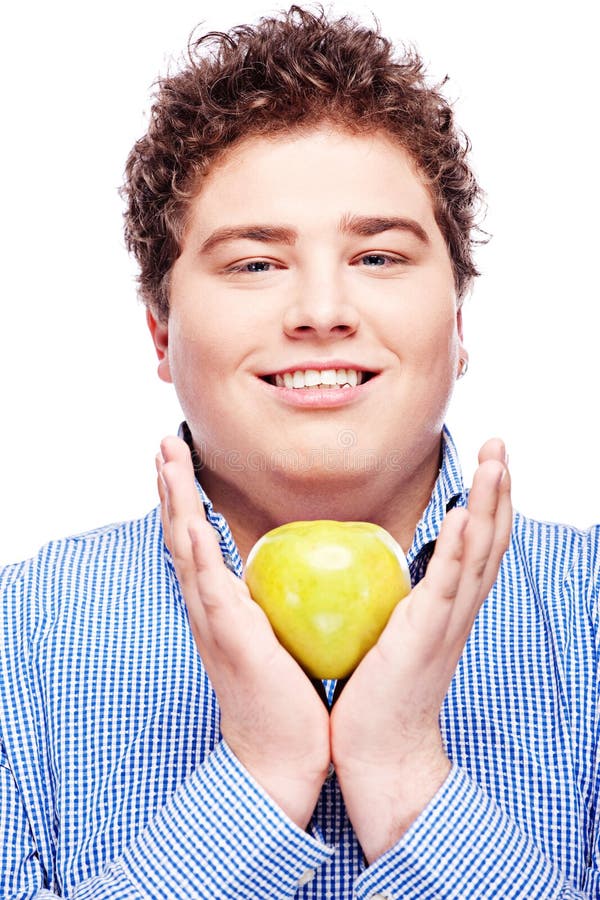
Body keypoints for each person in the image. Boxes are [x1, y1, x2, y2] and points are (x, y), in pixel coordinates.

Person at [0, 6, 597, 898]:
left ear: (458, 321)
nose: (322, 311)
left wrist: (405, 777)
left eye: (379, 257)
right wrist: (256, 780)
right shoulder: (19, 639)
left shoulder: (590, 615)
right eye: (255, 264)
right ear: (161, 332)